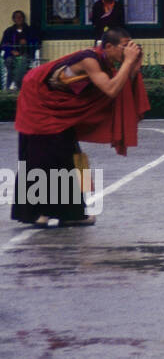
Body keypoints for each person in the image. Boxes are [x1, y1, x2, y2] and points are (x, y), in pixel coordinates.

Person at [11, 27, 148, 226]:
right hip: (39, 103)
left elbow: (123, 83)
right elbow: (111, 89)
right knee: (40, 156)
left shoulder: (106, 61)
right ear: (108, 46)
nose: (128, 51)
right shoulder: (89, 60)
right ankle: (37, 213)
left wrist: (133, 64)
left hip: (60, 111)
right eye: (125, 47)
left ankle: (72, 213)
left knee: (74, 159)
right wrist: (128, 62)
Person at [2, 10, 39, 91]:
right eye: (16, 17)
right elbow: (4, 44)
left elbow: (36, 43)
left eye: (20, 17)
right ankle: (9, 84)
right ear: (13, 19)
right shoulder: (9, 31)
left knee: (23, 62)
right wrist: (11, 51)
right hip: (11, 55)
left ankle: (19, 85)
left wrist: (27, 42)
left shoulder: (30, 30)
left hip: (26, 54)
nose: (19, 19)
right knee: (9, 61)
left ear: (23, 18)